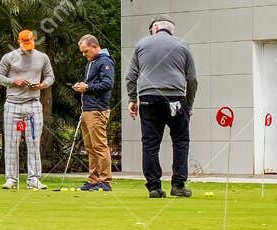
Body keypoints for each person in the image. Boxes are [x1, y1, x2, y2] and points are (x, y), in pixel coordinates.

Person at [126, 17, 199, 198]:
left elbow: (130, 76)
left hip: (148, 99)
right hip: (175, 98)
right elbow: (192, 79)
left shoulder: (141, 44)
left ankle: (154, 187)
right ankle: (178, 185)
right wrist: (188, 104)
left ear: (156, 27)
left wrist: (132, 99)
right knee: (180, 141)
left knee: (150, 143)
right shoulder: (182, 45)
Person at [0, 30, 54, 190]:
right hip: (13, 104)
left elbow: (50, 77)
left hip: (33, 104)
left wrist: (41, 85)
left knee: (33, 142)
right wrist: (14, 81)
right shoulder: (9, 57)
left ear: (34, 40)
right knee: (11, 143)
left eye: (30, 42)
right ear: (18, 41)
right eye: (25, 43)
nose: (28, 46)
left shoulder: (42, 57)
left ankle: (34, 179)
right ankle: (11, 179)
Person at [71, 35, 115, 191]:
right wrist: (82, 87)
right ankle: (94, 179)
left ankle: (105, 181)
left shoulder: (105, 61)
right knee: (90, 147)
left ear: (94, 46)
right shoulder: (92, 62)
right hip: (87, 109)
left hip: (97, 109)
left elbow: (107, 84)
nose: (84, 55)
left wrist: (87, 87)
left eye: (85, 51)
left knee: (99, 146)